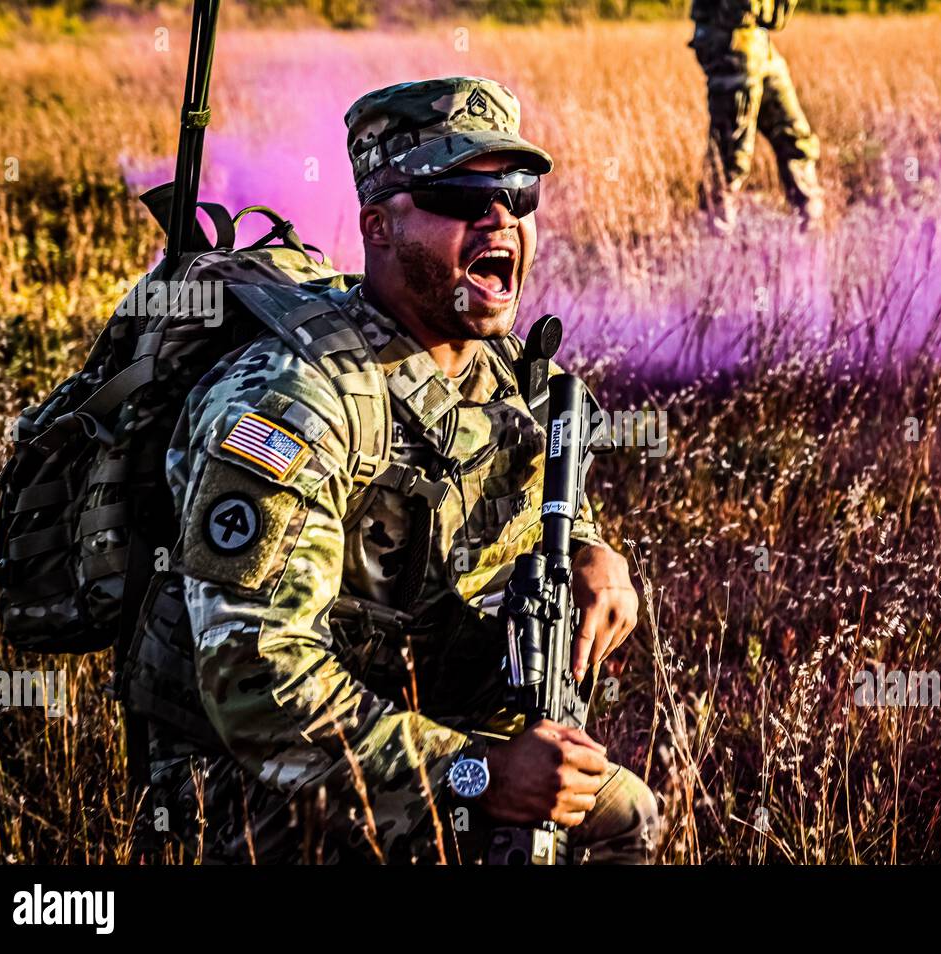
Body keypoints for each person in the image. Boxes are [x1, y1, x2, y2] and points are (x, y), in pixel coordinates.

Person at [135, 76, 659, 864]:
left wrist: (592, 551)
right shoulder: (294, 401)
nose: (499, 217)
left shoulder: (503, 376)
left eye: (518, 194)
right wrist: (478, 774)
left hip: (422, 719)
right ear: (378, 227)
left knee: (625, 816)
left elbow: (529, 511)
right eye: (458, 193)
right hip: (258, 774)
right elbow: (256, 681)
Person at [689, 0, 825, 231]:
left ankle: (812, 228)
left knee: (794, 136)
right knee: (730, 155)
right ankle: (713, 242)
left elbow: (774, 19)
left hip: (756, 39)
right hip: (730, 40)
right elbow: (752, 10)